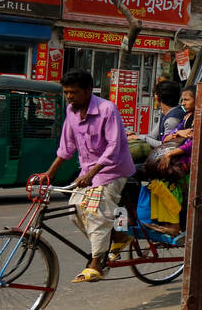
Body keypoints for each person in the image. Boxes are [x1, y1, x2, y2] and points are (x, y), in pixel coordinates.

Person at [32, 68, 136, 282]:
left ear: (88, 90)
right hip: (88, 171)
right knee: (75, 211)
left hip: (112, 169)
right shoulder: (71, 111)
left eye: (74, 92)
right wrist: (49, 173)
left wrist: (93, 173)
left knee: (95, 211)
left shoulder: (107, 110)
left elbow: (113, 147)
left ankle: (97, 262)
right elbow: (66, 147)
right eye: (67, 92)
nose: (69, 97)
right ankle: (118, 236)